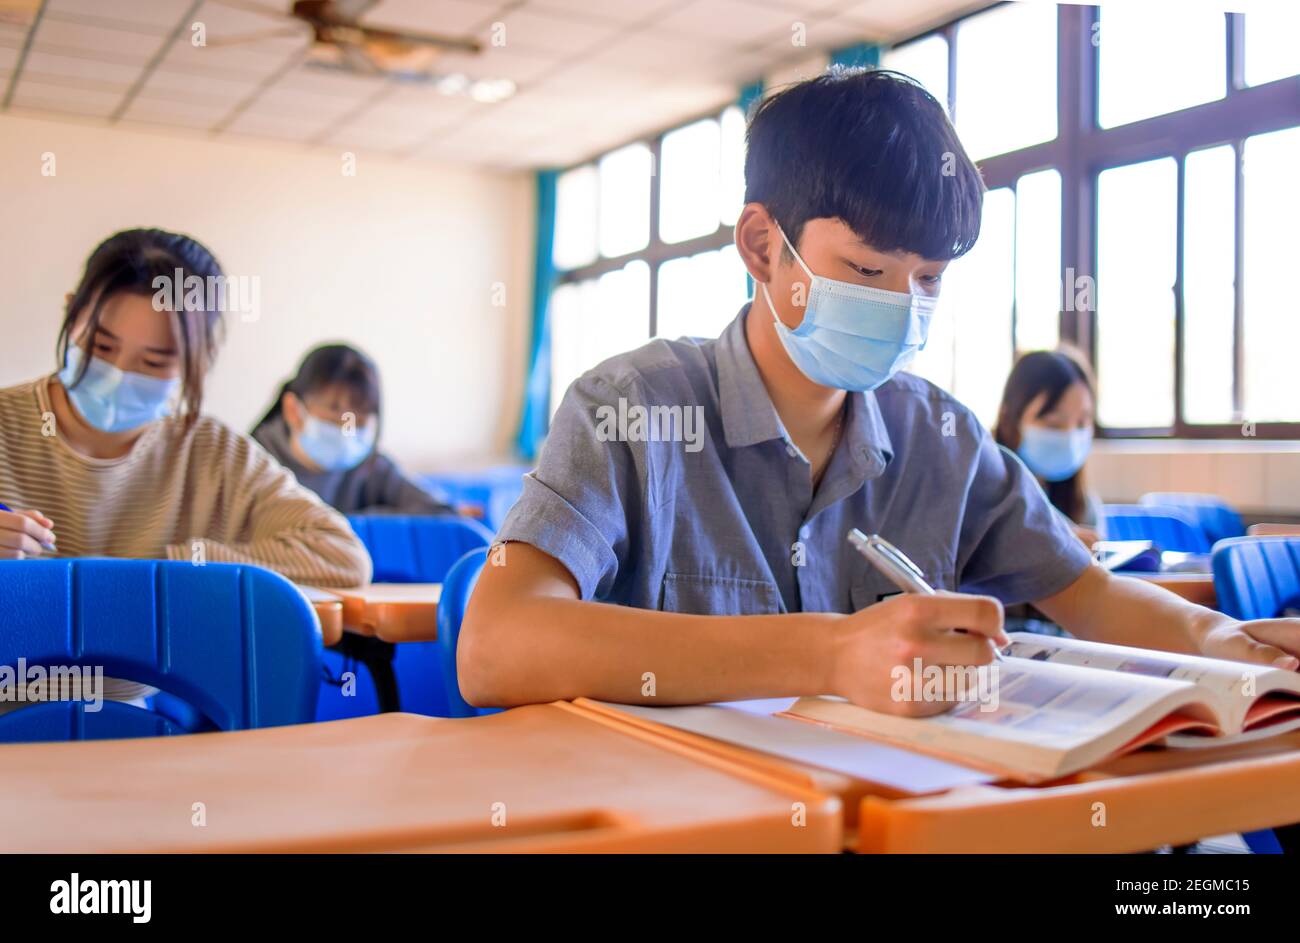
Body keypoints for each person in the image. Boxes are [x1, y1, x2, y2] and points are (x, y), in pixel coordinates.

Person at [458, 67, 1300, 714]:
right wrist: (831, 653)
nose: (903, 307)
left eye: (928, 279)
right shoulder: (632, 408)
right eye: (866, 270)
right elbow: (495, 643)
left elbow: (1091, 592)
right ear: (762, 245)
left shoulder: (943, 438)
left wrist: (1223, 637)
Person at [0, 228, 372, 706]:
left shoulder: (210, 452)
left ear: (201, 360)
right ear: (71, 312)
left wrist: (175, 566)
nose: (118, 375)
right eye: (101, 346)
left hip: (132, 736)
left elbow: (342, 556)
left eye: (154, 362)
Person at [251, 344, 453, 516]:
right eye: (334, 414)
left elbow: (439, 511)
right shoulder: (251, 463)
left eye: (361, 421)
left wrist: (364, 523)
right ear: (293, 410)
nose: (347, 432)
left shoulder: (370, 468)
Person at [994, 348, 1104, 547]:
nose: (1069, 436)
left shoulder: (1083, 506)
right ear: (1009, 420)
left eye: (1081, 423)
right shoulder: (982, 497)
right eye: (1053, 424)